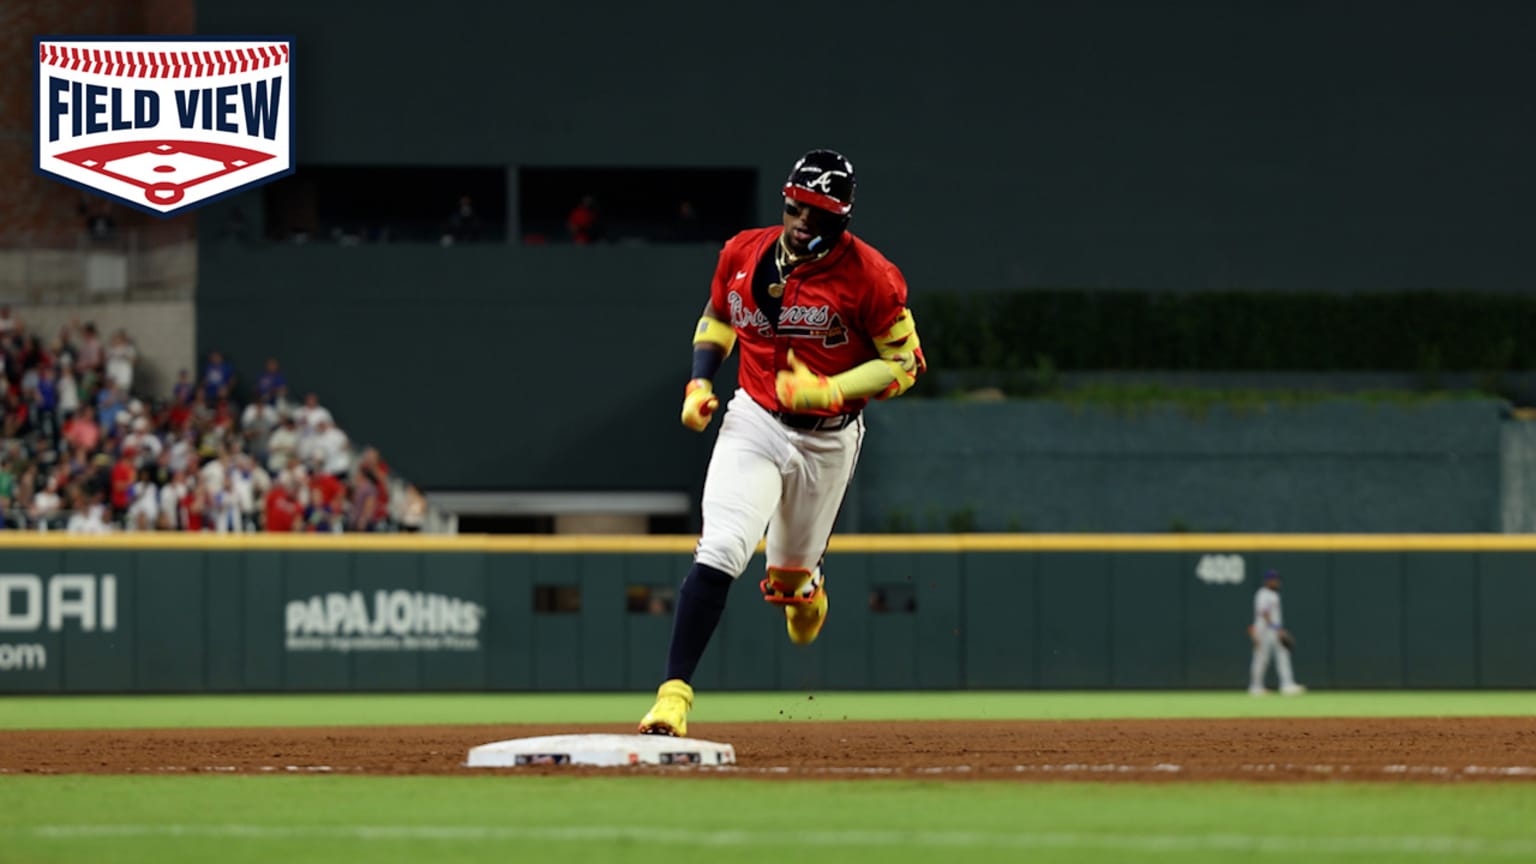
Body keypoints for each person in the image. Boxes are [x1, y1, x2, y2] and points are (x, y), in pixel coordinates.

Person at [638, 150, 926, 736]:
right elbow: (720, 316)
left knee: (790, 583)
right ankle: (673, 696)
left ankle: (804, 585)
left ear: (841, 220)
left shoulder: (871, 277)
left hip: (828, 438)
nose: (802, 223)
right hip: (755, 420)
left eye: (818, 215)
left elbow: (907, 363)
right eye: (796, 208)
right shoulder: (742, 252)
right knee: (722, 548)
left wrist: (829, 390)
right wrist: (698, 381)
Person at [1249, 570, 1306, 696]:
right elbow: (1264, 613)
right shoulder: (1262, 594)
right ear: (1268, 581)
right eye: (1274, 579)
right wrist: (1277, 628)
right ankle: (1255, 687)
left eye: (1277, 579)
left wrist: (1278, 629)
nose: (1277, 582)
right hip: (1264, 631)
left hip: (1274, 631)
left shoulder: (1274, 595)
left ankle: (1287, 685)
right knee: (1261, 659)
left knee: (1283, 655)